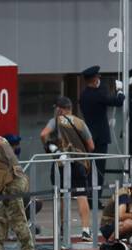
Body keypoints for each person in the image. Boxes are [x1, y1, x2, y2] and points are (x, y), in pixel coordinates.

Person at [40, 96, 95, 241]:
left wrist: (50, 148)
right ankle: (86, 230)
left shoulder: (56, 121)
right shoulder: (80, 122)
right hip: (79, 162)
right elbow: (91, 146)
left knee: (63, 195)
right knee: (81, 195)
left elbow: (43, 134)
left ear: (59, 109)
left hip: (60, 163)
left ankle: (63, 229)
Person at [77, 65, 123, 199]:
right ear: (94, 79)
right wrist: (119, 90)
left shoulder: (84, 95)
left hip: (88, 136)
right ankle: (95, 199)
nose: (100, 79)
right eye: (97, 77)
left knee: (91, 169)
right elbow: (118, 101)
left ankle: (91, 197)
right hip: (100, 137)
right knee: (99, 169)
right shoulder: (98, 94)